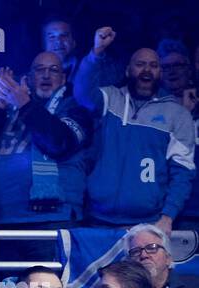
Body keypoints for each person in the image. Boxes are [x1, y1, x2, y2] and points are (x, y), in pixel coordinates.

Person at [0, 53, 93, 263]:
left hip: (53, 221)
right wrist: (0, 105)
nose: (46, 75)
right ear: (29, 77)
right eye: (39, 70)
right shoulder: (9, 110)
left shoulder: (75, 110)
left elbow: (58, 143)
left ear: (63, 79)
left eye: (53, 70)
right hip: (3, 219)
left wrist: (24, 103)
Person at [73, 28, 195, 234]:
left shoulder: (177, 114)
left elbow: (182, 173)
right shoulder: (110, 98)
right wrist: (96, 53)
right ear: (128, 71)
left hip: (148, 224)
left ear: (160, 73)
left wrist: (167, 216)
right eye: (140, 64)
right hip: (97, 219)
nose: (146, 70)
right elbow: (82, 93)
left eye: (153, 66)